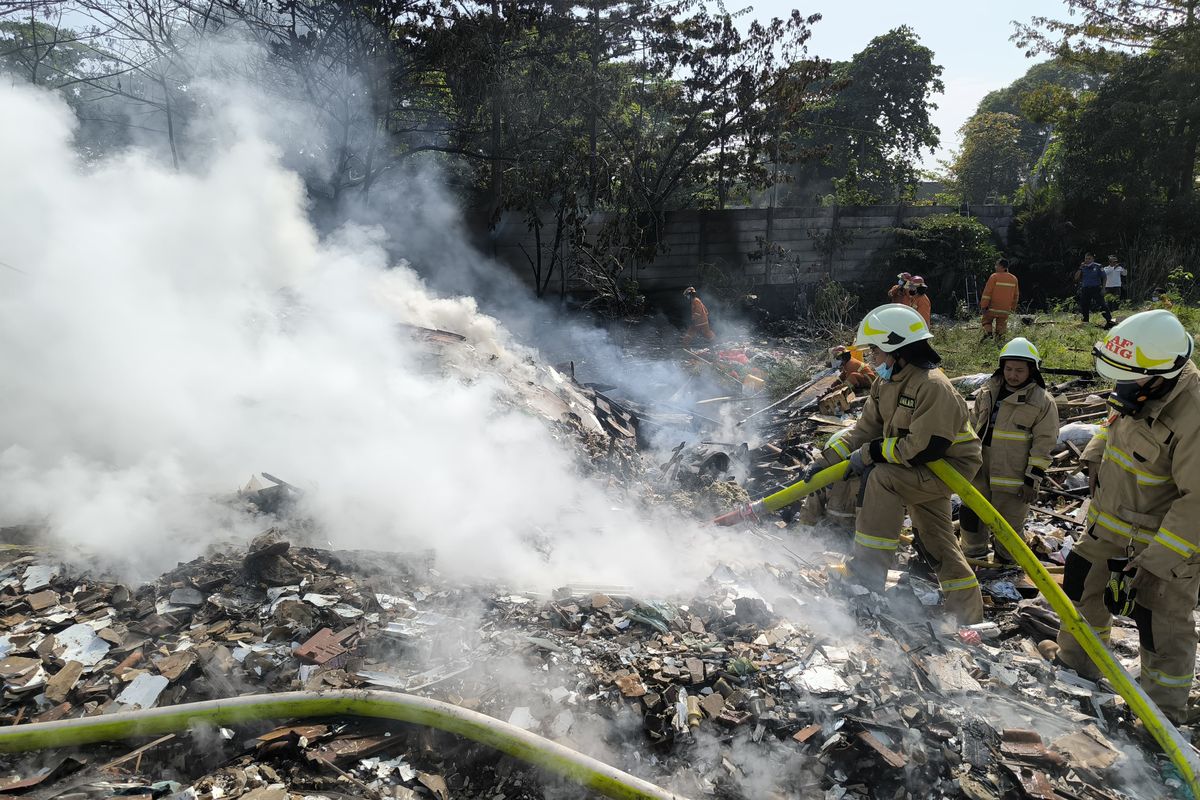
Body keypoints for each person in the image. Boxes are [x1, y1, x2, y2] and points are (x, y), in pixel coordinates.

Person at [1054, 310, 1200, 724]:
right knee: (1083, 594)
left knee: (1162, 630)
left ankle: (1161, 718)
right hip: (1107, 526)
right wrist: (1095, 453)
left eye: (1128, 380)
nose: (1119, 386)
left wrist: (1156, 560)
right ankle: (1077, 669)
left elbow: (1198, 502)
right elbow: (1114, 424)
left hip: (1162, 546)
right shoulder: (1140, 383)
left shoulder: (1194, 416)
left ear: (1160, 376)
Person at [804, 304, 985, 624]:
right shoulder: (885, 384)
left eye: (875, 351)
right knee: (937, 542)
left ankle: (867, 575)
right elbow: (864, 431)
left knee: (881, 478)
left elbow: (926, 447)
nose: (872, 358)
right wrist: (826, 461)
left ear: (898, 350)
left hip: (946, 468)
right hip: (914, 466)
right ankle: (968, 616)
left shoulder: (933, 385)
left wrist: (872, 454)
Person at [959, 338, 1059, 564]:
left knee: (1009, 530)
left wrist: (1032, 479)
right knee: (971, 518)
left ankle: (1006, 568)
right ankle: (974, 560)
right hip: (980, 469)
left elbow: (1045, 442)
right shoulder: (988, 392)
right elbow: (972, 426)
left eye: (1019, 370)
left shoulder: (1041, 401)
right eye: (1009, 369)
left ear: (1031, 370)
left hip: (1014, 477)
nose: (1013, 375)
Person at [798, 428, 859, 531]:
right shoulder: (825, 478)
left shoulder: (872, 481)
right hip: (830, 534)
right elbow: (810, 511)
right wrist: (803, 535)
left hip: (860, 537)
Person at [980, 258, 1019, 341]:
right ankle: (999, 340)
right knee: (1001, 325)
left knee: (986, 321)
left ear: (1002, 267)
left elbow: (987, 293)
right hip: (1005, 309)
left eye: (996, 265)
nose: (995, 267)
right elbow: (1016, 296)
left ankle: (988, 334)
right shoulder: (1014, 279)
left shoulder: (994, 276)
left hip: (992, 307)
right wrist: (1013, 308)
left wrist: (984, 305)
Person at [1074, 253, 1113, 327]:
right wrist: (1080, 268)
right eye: (1086, 258)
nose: (1087, 260)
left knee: (1102, 305)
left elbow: (1104, 277)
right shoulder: (1083, 267)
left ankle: (1109, 321)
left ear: (1093, 259)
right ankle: (1085, 321)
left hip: (1096, 288)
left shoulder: (1098, 266)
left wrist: (1103, 288)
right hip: (1085, 289)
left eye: (1089, 259)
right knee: (1084, 305)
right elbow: (1076, 278)